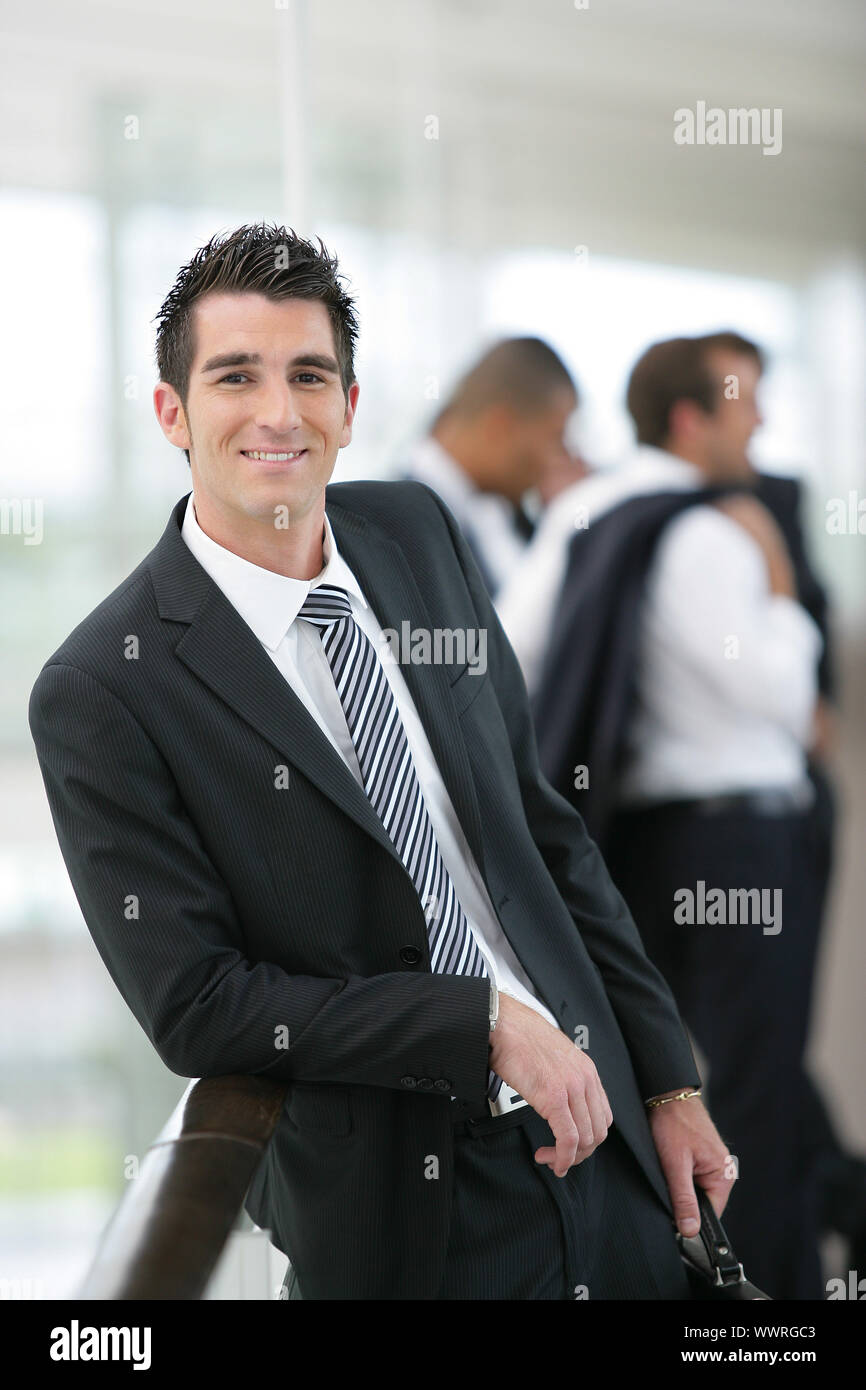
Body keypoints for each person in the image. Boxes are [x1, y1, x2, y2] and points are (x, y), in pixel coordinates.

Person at [28, 226, 733, 1302]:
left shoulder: (417, 533)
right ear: (171, 412)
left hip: (604, 1127)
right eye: (235, 376)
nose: (279, 412)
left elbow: (542, 829)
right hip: (411, 1210)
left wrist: (668, 1081)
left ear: (350, 407)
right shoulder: (104, 686)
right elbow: (199, 1002)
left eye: (309, 375)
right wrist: (475, 1023)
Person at [499, 330, 842, 1299]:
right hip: (743, 844)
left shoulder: (587, 511)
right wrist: (780, 586)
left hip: (632, 846)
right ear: (692, 419)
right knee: (758, 1091)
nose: (761, 421)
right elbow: (781, 693)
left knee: (673, 1077)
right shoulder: (713, 531)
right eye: (746, 402)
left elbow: (506, 649)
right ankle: (768, 1318)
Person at [399, 337, 586, 597]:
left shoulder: (511, 517)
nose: (559, 459)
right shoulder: (392, 529)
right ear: (500, 427)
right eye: (555, 438)